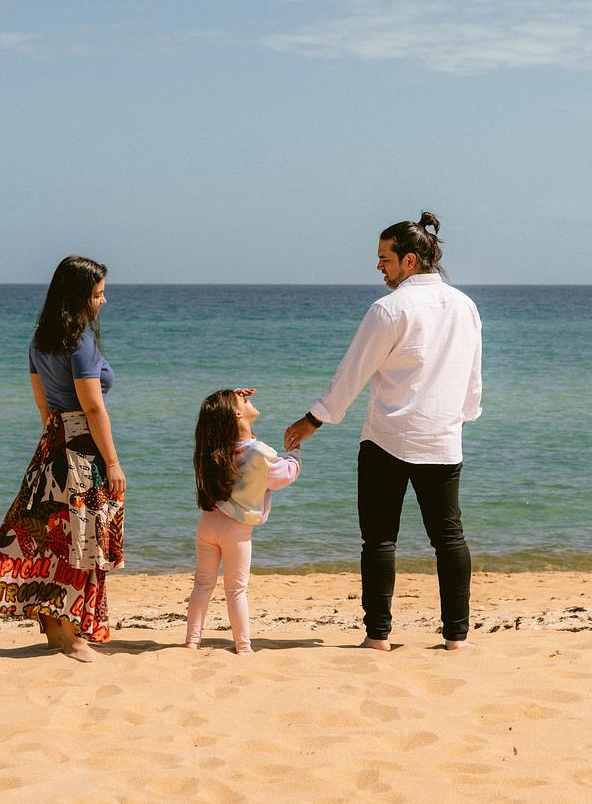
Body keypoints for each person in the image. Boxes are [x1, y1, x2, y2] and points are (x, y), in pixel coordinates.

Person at [284, 212, 482, 651]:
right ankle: (457, 638)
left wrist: (313, 420)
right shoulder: (465, 306)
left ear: (409, 260)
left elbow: (353, 372)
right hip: (442, 439)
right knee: (449, 538)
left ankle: (378, 637)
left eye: (384, 258)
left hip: (387, 438)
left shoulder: (389, 309)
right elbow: (473, 375)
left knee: (379, 539)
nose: (379, 266)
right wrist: (464, 415)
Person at [0, 255, 126, 662]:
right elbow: (93, 408)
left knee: (53, 538)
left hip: (52, 445)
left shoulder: (38, 340)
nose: (103, 301)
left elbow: (44, 409)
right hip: (80, 449)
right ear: (79, 295)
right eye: (98, 294)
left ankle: (55, 632)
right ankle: (75, 640)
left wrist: (54, 447)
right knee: (81, 538)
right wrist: (113, 463)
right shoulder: (80, 341)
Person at [186, 388, 301, 655]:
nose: (248, 399)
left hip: (208, 522)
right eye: (243, 399)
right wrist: (294, 453)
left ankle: (192, 640)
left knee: (203, 584)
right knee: (236, 590)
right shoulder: (259, 452)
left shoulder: (216, 449)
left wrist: (229, 398)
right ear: (237, 413)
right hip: (235, 529)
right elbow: (283, 475)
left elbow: (224, 419)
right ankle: (243, 646)